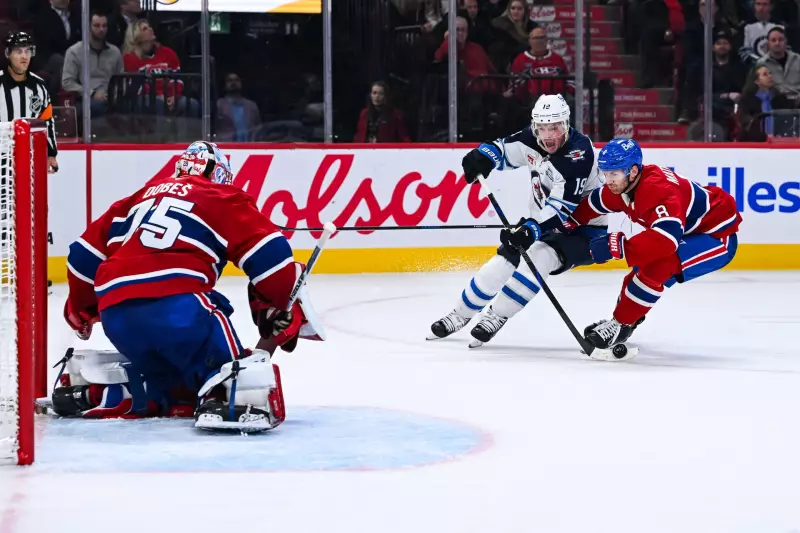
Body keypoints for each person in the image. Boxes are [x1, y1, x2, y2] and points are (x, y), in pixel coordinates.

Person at [57, 141, 323, 432]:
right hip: (179, 306)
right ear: (220, 174)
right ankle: (226, 390)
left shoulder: (136, 198)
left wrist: (81, 311)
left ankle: (104, 391)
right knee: (235, 371)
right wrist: (281, 304)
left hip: (116, 313)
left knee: (175, 385)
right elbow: (272, 260)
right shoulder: (222, 195)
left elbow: (80, 258)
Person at [427, 94, 606, 347]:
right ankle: (459, 314)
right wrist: (483, 156)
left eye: (554, 127)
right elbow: (503, 149)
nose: (547, 135)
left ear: (566, 125)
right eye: (542, 128)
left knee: (539, 257)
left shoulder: (578, 153)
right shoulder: (533, 138)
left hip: (584, 231)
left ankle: (496, 316)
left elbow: (561, 209)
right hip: (541, 225)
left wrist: (530, 229)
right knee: (502, 262)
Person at [570, 138, 742, 350]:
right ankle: (624, 322)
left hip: (716, 236)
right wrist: (565, 223)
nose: (608, 180)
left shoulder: (657, 190)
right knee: (642, 267)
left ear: (633, 171)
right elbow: (594, 204)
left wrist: (620, 246)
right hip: (686, 231)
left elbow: (667, 240)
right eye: (605, 173)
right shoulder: (623, 185)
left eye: (613, 174)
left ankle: (621, 323)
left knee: (657, 267)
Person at [0, 32, 59, 172]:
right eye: (18, 51)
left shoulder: (39, 86)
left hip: (29, 157)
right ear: (8, 53)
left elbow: (47, 120)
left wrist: (51, 153)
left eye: (28, 51)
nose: (24, 56)